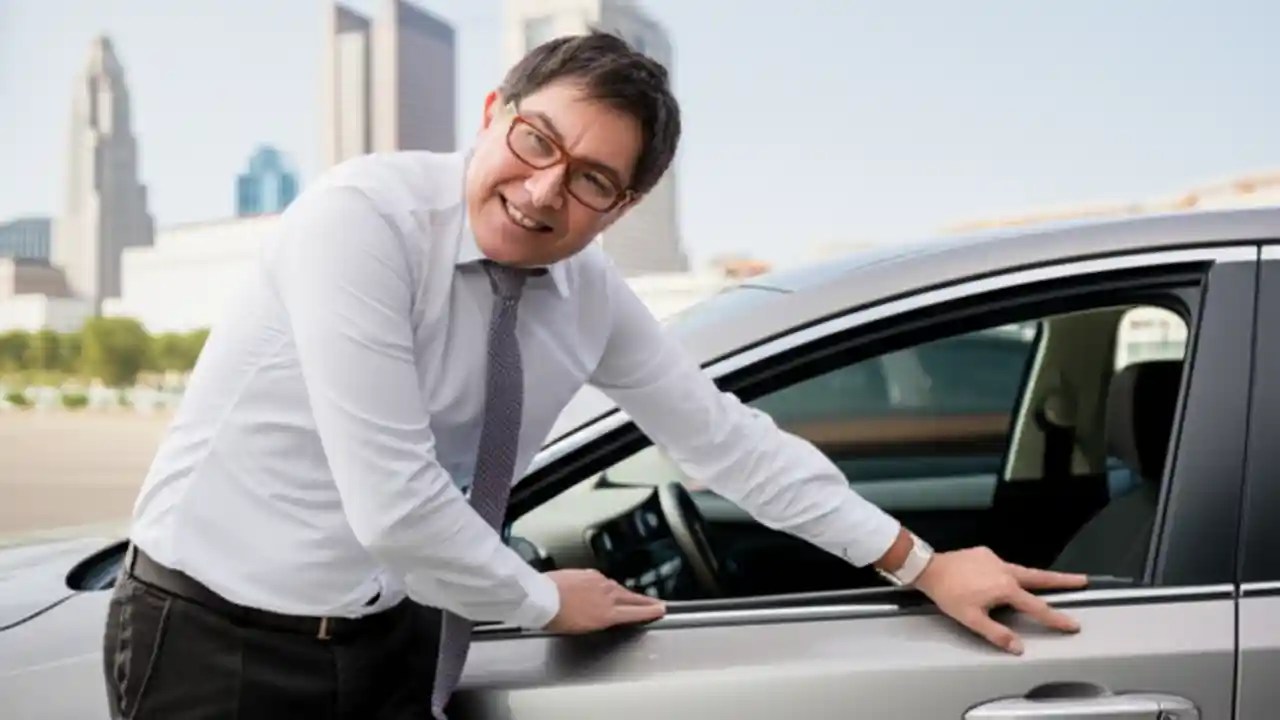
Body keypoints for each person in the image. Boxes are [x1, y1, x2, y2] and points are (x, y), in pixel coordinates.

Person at [103, 30, 1087, 720]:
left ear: (623, 204)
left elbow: (723, 439)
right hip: (216, 638)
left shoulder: (588, 293)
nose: (542, 192)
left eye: (590, 181)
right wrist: (539, 603)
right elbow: (398, 510)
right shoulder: (359, 222)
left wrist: (919, 563)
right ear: (494, 113)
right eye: (536, 142)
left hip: (395, 636)